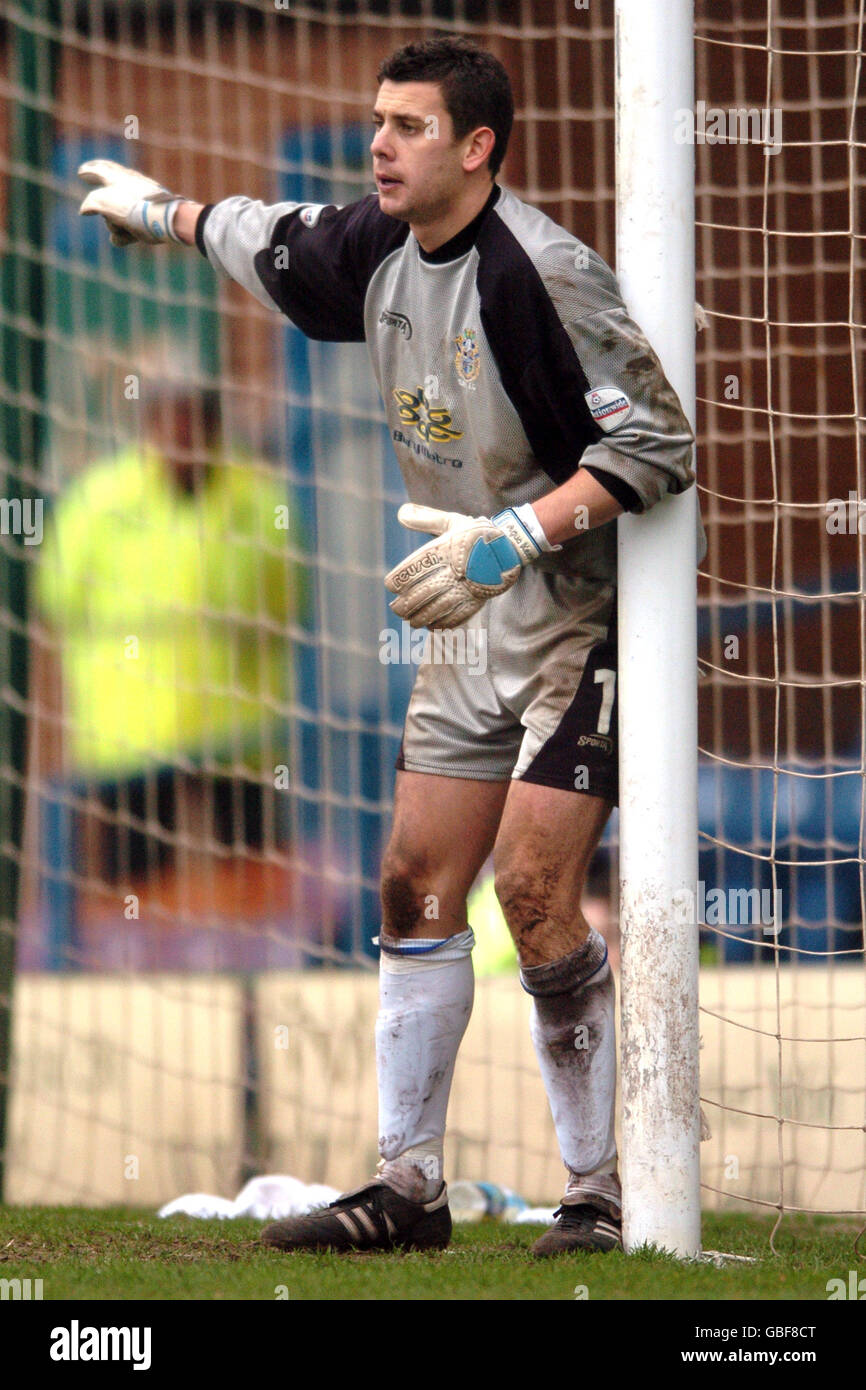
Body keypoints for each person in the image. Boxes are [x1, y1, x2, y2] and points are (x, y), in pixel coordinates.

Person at [78, 34, 696, 1255]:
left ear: (476, 147)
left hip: (576, 620)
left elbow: (656, 450)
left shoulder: (545, 273)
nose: (378, 143)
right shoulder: (373, 242)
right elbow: (261, 234)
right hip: (465, 626)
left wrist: (511, 536)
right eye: (375, 121)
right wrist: (156, 210)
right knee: (414, 882)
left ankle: (598, 1190)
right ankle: (408, 1186)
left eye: (408, 126)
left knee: (529, 891)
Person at [37, 377, 307, 956]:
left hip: (241, 735)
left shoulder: (261, 501)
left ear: (214, 429)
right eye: (168, 424)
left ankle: (256, 989)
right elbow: (56, 602)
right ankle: (132, 989)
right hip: (129, 739)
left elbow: (289, 599)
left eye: (194, 423)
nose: (181, 438)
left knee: (252, 882)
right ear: (147, 430)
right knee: (135, 893)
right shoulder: (96, 504)